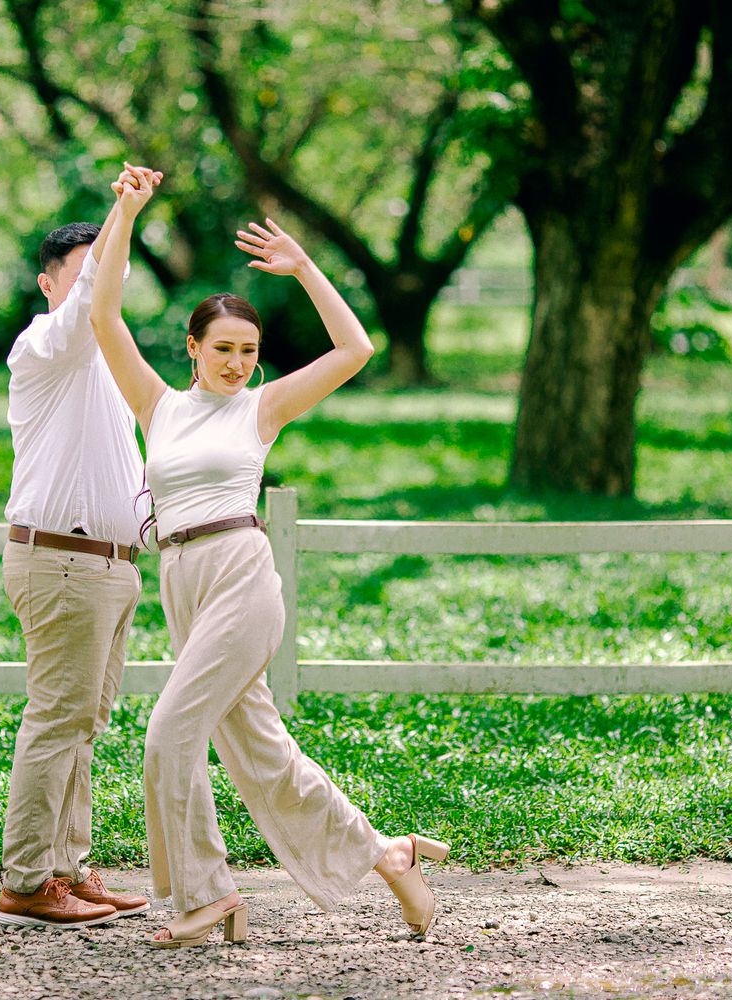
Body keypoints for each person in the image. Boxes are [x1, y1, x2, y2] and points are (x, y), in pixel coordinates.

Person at [88, 164, 449, 948]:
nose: (237, 362)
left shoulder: (264, 407)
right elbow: (104, 312)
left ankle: (207, 895)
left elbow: (355, 347)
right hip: (181, 582)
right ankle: (390, 857)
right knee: (262, 754)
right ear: (192, 347)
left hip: (241, 576)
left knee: (169, 733)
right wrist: (126, 212)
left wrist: (307, 268)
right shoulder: (159, 405)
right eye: (223, 348)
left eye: (249, 350)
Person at [0, 165, 165, 930]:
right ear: (47, 286)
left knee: (82, 726)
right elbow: (100, 282)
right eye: (88, 272)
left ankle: (69, 867)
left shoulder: (104, 361)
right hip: (62, 560)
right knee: (57, 719)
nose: (105, 284)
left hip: (108, 569)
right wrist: (123, 211)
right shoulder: (45, 346)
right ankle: (27, 880)